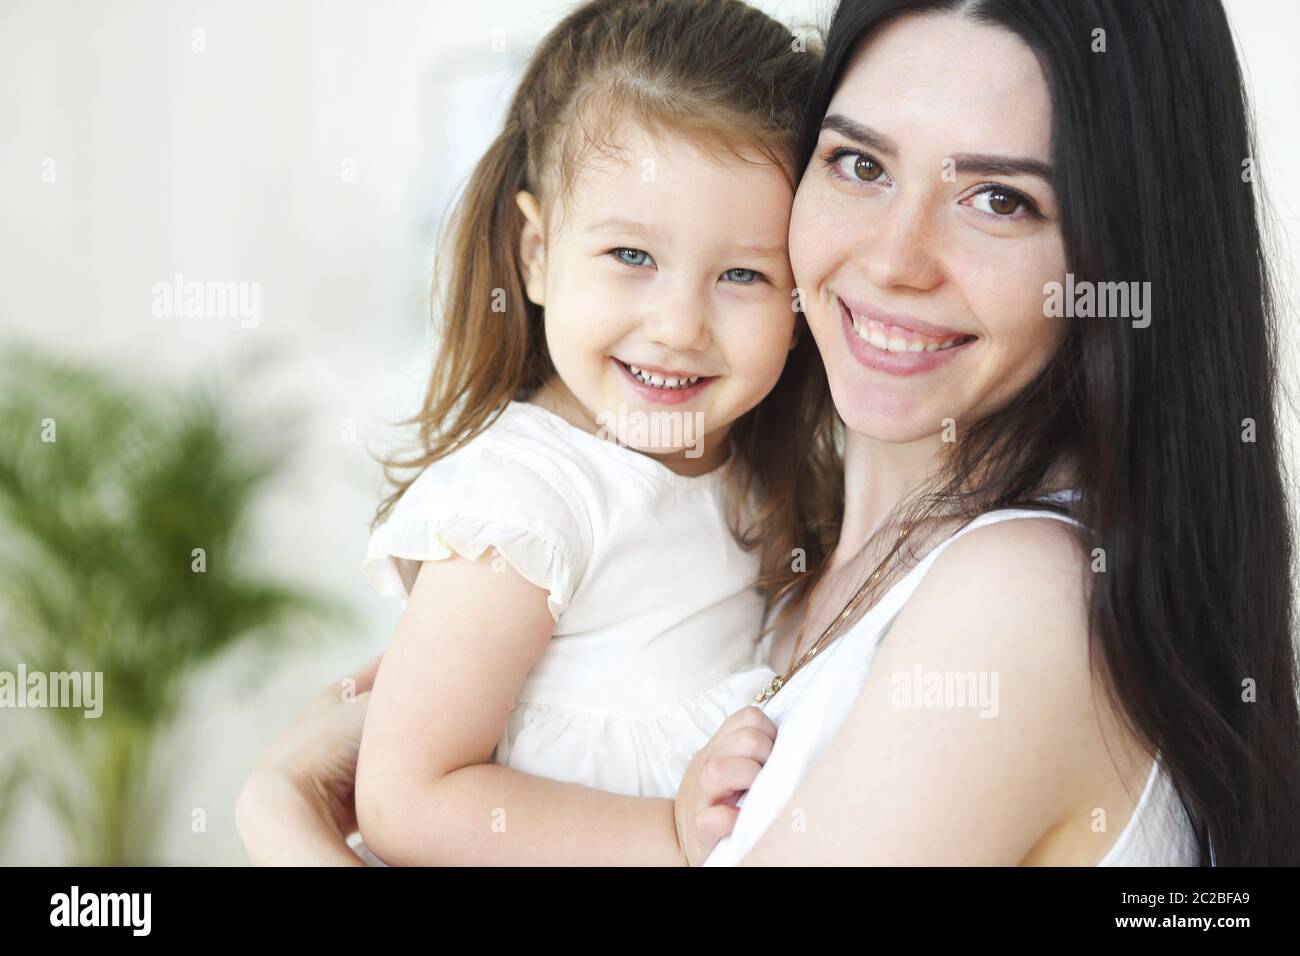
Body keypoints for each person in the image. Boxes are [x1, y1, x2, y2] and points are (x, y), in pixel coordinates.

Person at [238, 0, 1300, 866]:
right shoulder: (767, 551)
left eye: (997, 199)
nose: (893, 260)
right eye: (860, 166)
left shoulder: (1020, 600)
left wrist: (285, 821)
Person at [343, 0, 831, 867]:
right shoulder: (524, 503)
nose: (680, 326)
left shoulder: (749, 477)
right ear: (536, 254)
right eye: (631, 257)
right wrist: (666, 832)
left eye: (745, 274)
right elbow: (406, 799)